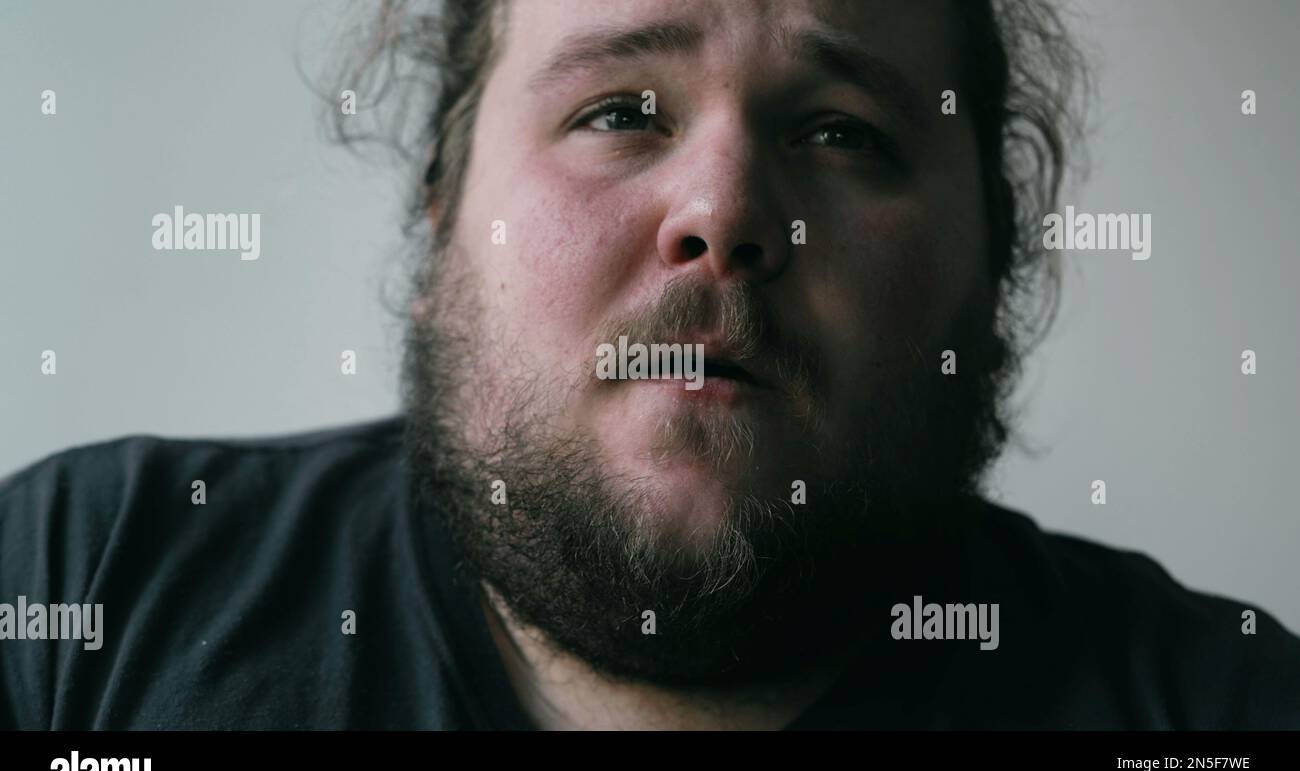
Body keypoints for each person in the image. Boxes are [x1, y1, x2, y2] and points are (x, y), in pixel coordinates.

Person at [2, 0, 1297, 730]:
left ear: (995, 258)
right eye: (618, 113)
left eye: (842, 132)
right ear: (444, 202)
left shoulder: (1220, 714)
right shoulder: (84, 589)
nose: (726, 210)